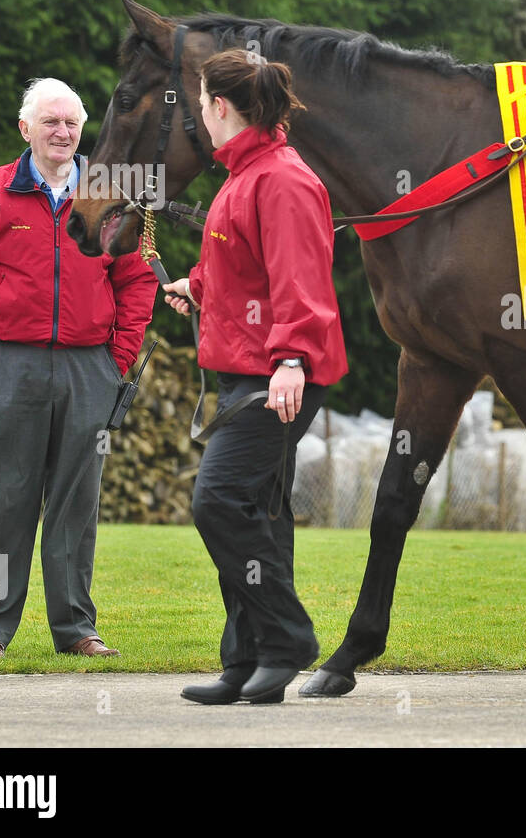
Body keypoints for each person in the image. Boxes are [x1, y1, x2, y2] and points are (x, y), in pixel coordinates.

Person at [0, 78, 157, 660]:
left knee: (77, 503)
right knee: (2, 500)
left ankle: (77, 628)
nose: (62, 132)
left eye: (72, 123)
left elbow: (136, 282)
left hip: (89, 366)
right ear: (25, 128)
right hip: (11, 363)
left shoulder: (108, 195)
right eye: (51, 122)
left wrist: (117, 361)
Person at [162, 49, 347, 704]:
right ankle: (245, 663)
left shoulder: (282, 179)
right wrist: (198, 286)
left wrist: (291, 358)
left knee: (218, 501)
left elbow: (301, 277)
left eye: (201, 102)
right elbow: (245, 266)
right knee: (258, 513)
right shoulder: (246, 173)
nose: (198, 115)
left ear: (220, 106)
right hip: (251, 370)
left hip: (277, 374)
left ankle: (286, 639)